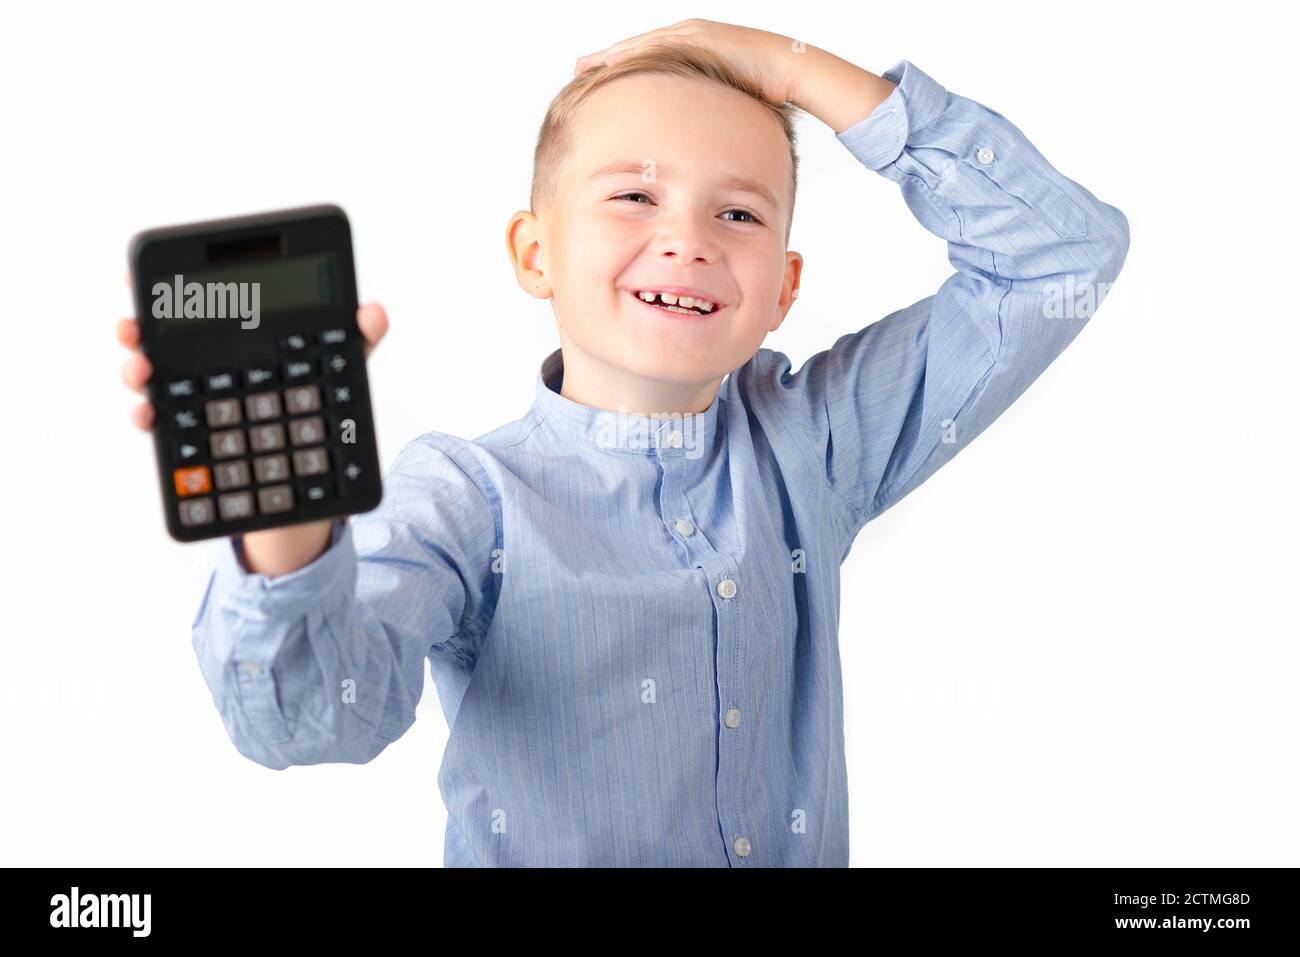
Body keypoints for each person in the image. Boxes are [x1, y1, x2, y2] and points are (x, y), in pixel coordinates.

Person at [115, 19, 1130, 866]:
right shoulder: (465, 497)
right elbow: (313, 721)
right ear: (534, 252)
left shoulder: (816, 442)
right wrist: (287, 527)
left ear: (782, 288)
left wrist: (790, 70)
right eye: (633, 195)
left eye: (737, 210)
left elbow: (1060, 259)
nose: (687, 238)